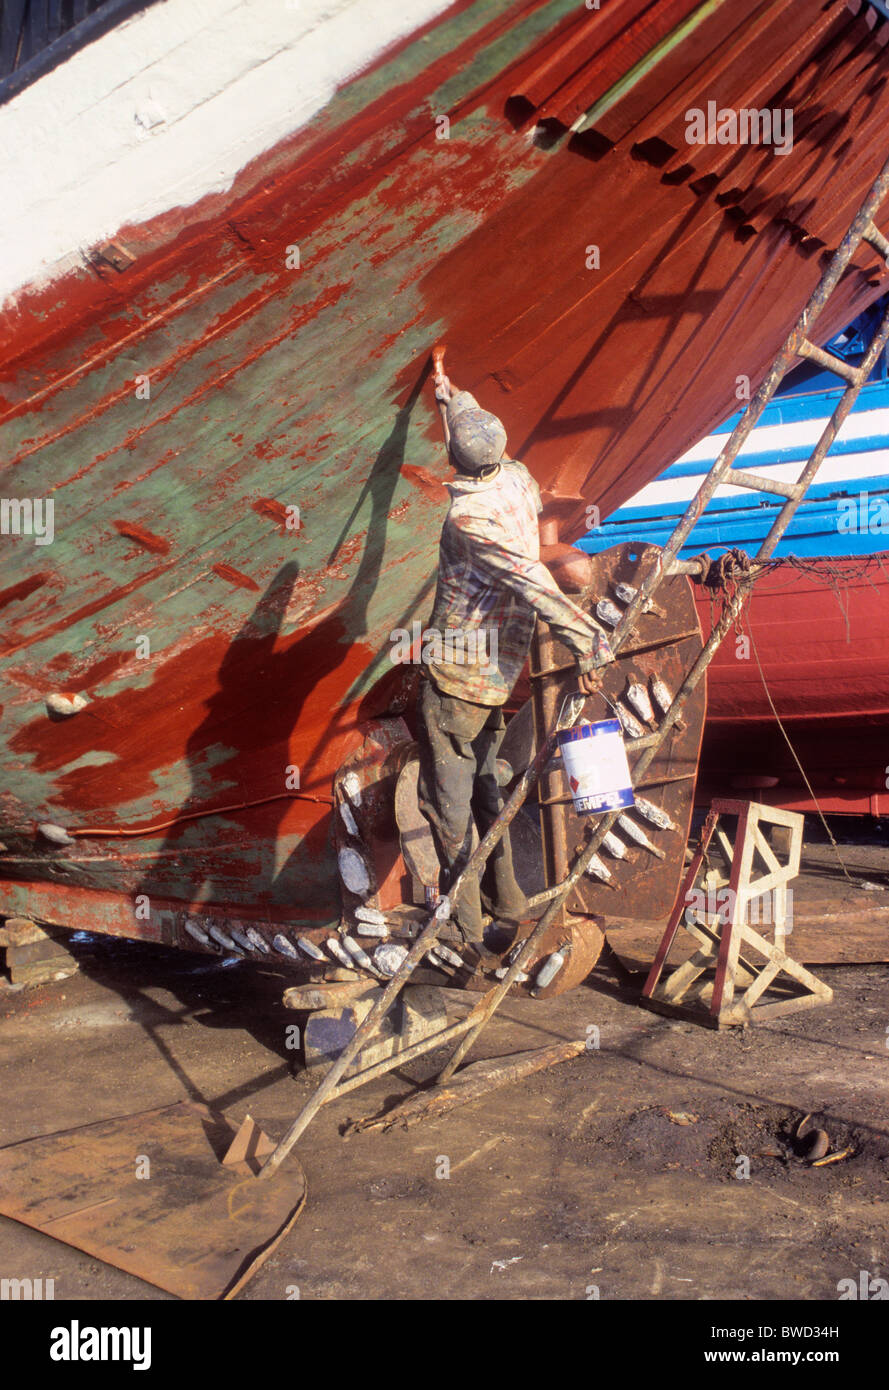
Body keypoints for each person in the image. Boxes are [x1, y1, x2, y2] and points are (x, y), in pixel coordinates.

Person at [415, 369, 615, 961]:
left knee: (449, 810)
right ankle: (509, 905)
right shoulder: (520, 480)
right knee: (487, 793)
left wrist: (588, 642)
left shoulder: (467, 519)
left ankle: (467, 936)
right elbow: (480, 437)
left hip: (456, 677)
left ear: (455, 459)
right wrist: (451, 391)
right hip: (500, 675)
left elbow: (530, 581)